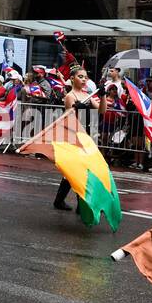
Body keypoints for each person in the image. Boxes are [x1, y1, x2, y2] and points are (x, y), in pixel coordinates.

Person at [53, 68, 101, 210]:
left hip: (85, 135)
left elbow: (102, 110)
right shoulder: (70, 96)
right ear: (73, 78)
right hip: (73, 136)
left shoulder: (88, 95)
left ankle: (64, 201)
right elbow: (69, 118)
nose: (84, 79)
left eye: (86, 77)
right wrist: (76, 108)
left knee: (82, 170)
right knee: (76, 170)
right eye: (80, 76)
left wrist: (103, 96)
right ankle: (78, 204)